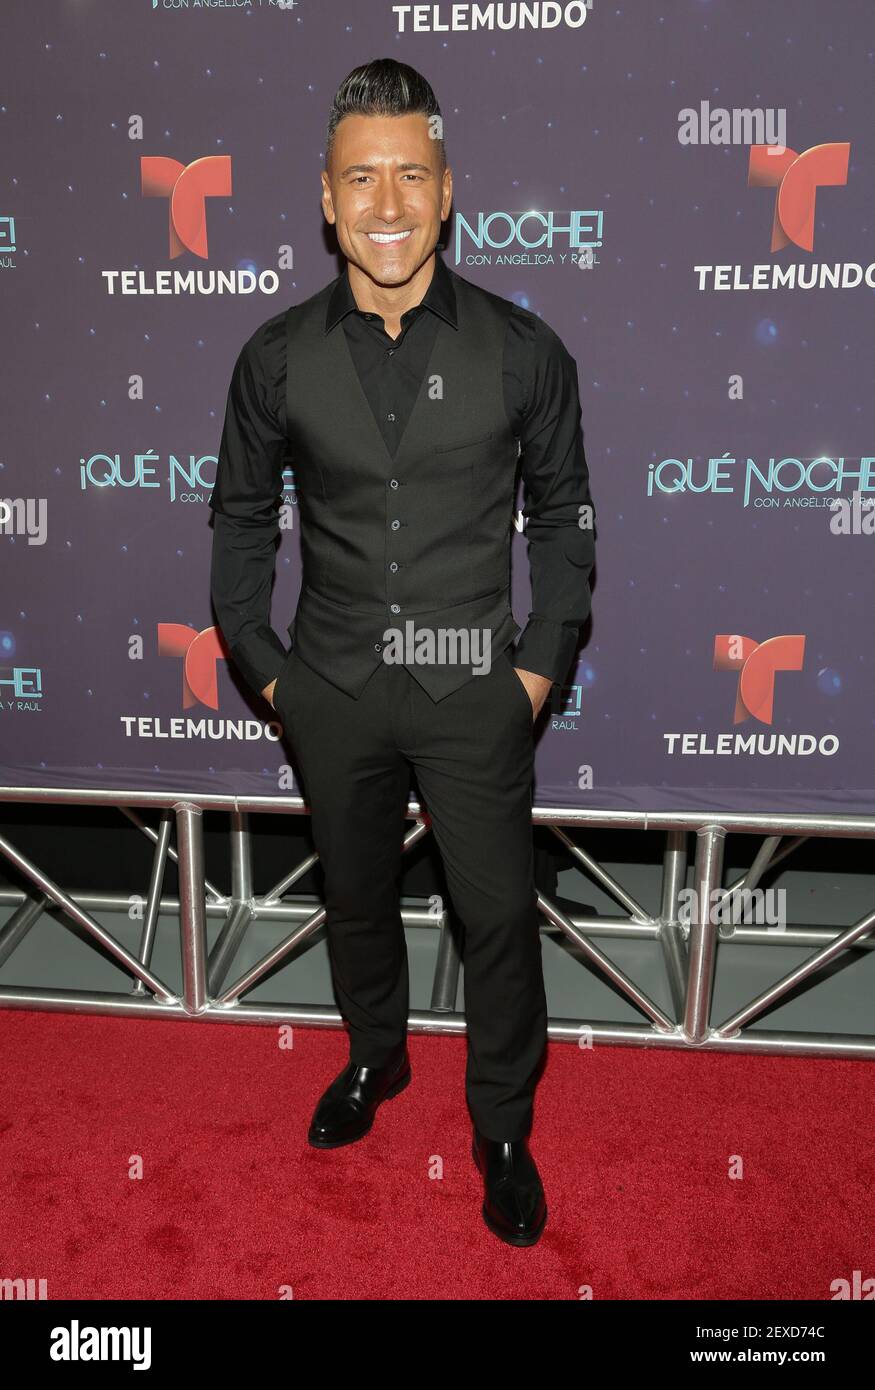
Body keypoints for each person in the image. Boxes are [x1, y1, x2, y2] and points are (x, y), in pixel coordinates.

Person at [209, 58, 595, 1247]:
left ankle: (500, 1124)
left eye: (410, 177)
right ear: (326, 199)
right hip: (326, 686)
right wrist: (269, 668)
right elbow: (236, 517)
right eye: (360, 178)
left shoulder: (524, 351)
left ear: (446, 192)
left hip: (474, 690)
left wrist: (530, 671)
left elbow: (564, 525)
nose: (386, 204)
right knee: (358, 902)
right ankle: (375, 1062)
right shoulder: (273, 355)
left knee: (495, 919)